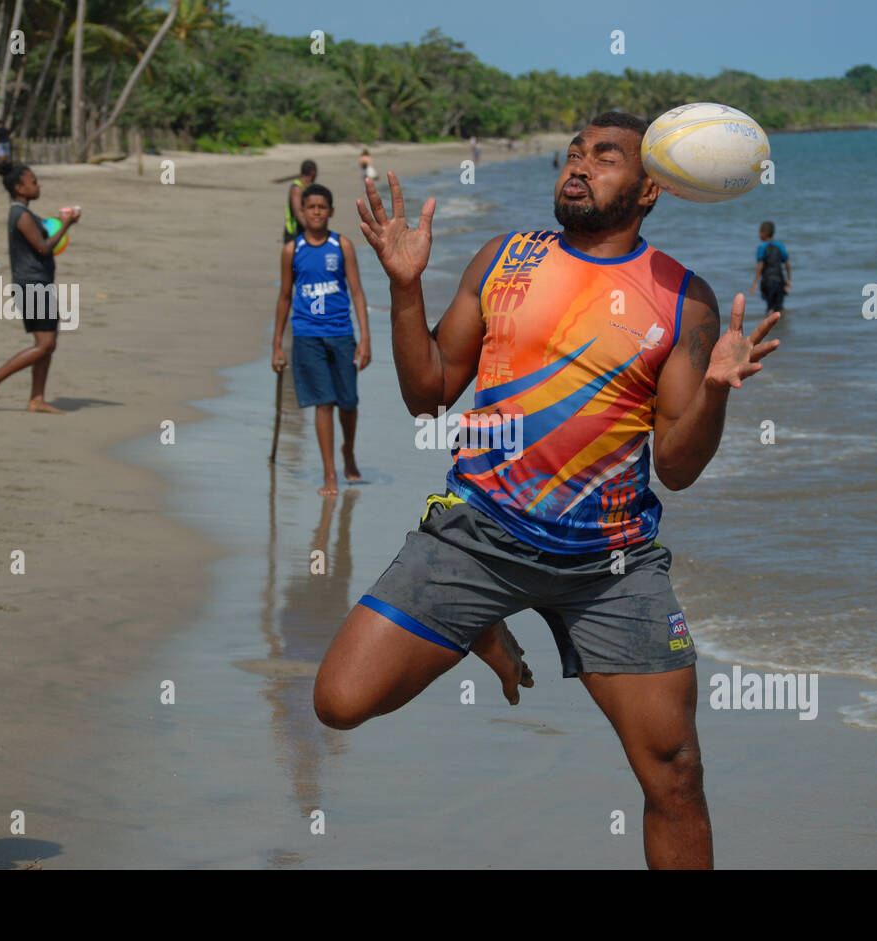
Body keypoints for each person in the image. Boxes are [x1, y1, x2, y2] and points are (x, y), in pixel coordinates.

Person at [313, 112, 780, 869]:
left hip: (611, 564)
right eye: (573, 153)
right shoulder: (504, 259)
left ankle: (486, 622)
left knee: (677, 773)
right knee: (338, 703)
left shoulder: (682, 298)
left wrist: (719, 391)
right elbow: (428, 393)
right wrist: (405, 289)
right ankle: (481, 620)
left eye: (604, 157)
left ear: (651, 187)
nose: (579, 166)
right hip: (480, 534)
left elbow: (679, 467)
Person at [271, 183, 371, 497]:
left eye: (321, 207)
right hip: (306, 336)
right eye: (310, 207)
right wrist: (276, 344)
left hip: (341, 332)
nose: (316, 212)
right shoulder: (292, 250)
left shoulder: (342, 246)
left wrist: (365, 338)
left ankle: (348, 452)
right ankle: (330, 473)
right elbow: (285, 297)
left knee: (348, 402)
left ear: (330, 211)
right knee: (323, 403)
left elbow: (356, 291)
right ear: (302, 211)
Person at [0, 162, 78, 413]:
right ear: (19, 187)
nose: (38, 185)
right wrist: (66, 224)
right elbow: (43, 247)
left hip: (39, 283)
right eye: (33, 181)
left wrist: (63, 221)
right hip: (31, 285)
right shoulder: (20, 215)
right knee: (46, 344)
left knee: (48, 342)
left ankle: (37, 399)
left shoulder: (27, 214)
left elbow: (45, 237)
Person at [748, 221, 790, 316]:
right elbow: (787, 264)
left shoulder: (762, 247)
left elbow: (760, 266)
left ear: (764, 233)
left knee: (770, 308)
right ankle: (781, 328)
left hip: (768, 282)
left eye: (760, 232)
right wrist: (789, 280)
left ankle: (771, 327)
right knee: (780, 307)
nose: (759, 235)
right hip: (780, 280)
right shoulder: (780, 246)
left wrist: (755, 283)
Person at [283, 160, 317, 245]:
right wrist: (312, 230)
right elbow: (298, 212)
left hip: (302, 232)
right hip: (294, 233)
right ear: (313, 174)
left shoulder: (306, 188)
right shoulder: (297, 189)